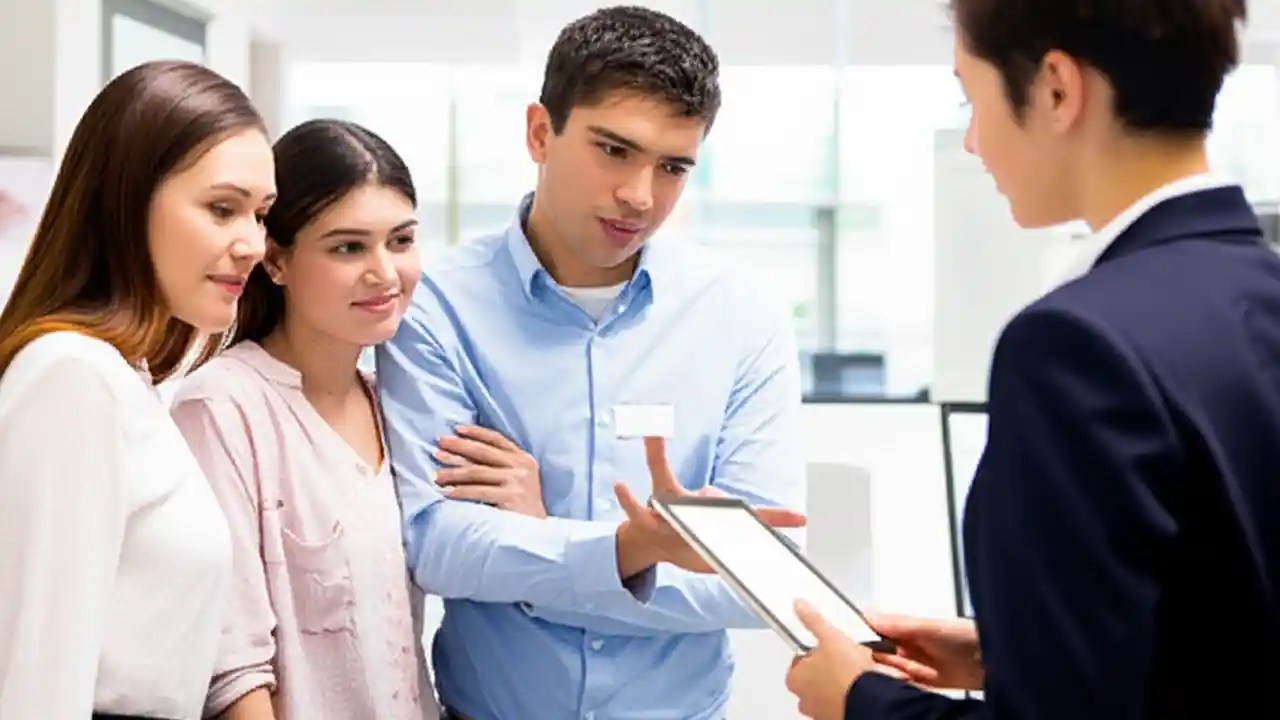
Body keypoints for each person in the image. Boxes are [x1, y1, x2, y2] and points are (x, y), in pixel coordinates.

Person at [781, 1, 1280, 718]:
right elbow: (1226, 622)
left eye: (969, 98)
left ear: (1055, 89)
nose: (972, 143)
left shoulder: (1076, 347)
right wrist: (1008, 650)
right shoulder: (1258, 291)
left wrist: (858, 699)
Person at [376, 5, 807, 719]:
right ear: (540, 133)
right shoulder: (436, 307)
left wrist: (547, 540)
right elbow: (436, 544)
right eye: (614, 150)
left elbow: (758, 576)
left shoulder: (742, 318)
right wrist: (629, 552)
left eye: (672, 167)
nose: (640, 196)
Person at [0, 60, 275, 719]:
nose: (253, 245)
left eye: (260, 215)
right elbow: (36, 678)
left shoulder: (125, 381)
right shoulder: (71, 375)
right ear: (126, 201)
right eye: (222, 208)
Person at [170, 119, 439, 720]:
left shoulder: (400, 409)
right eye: (348, 246)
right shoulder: (221, 410)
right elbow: (232, 668)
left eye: (400, 240)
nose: (384, 272)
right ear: (277, 260)